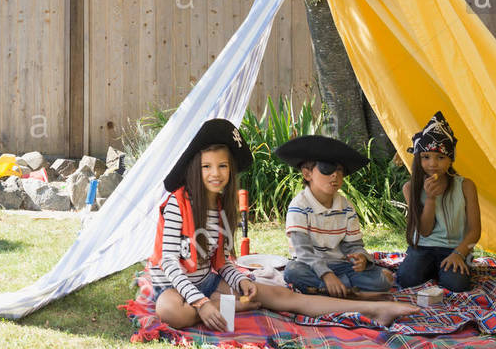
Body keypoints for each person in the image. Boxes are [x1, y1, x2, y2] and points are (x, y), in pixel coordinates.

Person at [151, 119, 419, 330]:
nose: (215, 173)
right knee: (170, 311)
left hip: (207, 282)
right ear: (195, 169)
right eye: (206, 166)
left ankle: (374, 310)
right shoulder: (177, 203)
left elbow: (220, 263)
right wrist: (201, 303)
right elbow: (169, 262)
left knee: (283, 296)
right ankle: (224, 306)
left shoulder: (221, 207)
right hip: (176, 288)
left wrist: (242, 280)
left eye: (222, 166)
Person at [275, 134, 394, 298]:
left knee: (384, 279)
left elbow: (353, 245)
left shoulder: (346, 207)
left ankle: (330, 291)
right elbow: (303, 252)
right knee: (293, 272)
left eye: (340, 170)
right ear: (307, 174)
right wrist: (326, 274)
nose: (335, 175)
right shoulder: (299, 206)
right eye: (327, 168)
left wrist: (361, 258)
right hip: (310, 265)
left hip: (341, 266)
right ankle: (348, 292)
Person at [396, 112, 480, 292]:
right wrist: (431, 199)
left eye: (440, 157)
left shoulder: (466, 186)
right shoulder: (410, 188)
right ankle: (433, 268)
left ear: (450, 160)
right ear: (418, 159)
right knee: (405, 279)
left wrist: (459, 254)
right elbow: (424, 231)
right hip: (423, 247)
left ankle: (444, 269)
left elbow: (475, 231)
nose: (433, 163)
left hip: (455, 248)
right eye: (426, 157)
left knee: (456, 285)